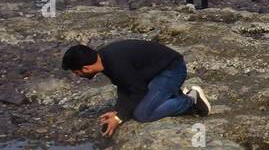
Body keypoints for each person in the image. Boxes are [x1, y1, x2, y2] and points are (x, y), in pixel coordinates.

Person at [62, 40, 211, 136]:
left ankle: (190, 101)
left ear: (86, 68)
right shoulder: (104, 60)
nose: (77, 76)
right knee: (135, 109)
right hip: (153, 77)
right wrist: (117, 111)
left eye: (76, 72)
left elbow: (138, 91)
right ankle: (171, 95)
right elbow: (125, 86)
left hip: (172, 70)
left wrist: (119, 117)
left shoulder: (115, 62)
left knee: (143, 114)